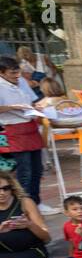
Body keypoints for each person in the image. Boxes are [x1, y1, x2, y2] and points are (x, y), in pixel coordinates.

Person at [0, 55, 50, 207]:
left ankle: (36, 202)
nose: (17, 76)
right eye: (12, 73)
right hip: (14, 127)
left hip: (30, 124)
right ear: (2, 73)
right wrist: (13, 107)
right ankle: (23, 205)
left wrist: (37, 107)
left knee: (37, 169)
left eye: (17, 72)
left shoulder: (21, 81)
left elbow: (33, 100)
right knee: (25, 170)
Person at [0, 170, 51, 258]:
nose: (2, 193)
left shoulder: (25, 203)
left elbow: (47, 238)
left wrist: (29, 224)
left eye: (5, 188)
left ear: (12, 188)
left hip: (30, 250)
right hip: (3, 252)